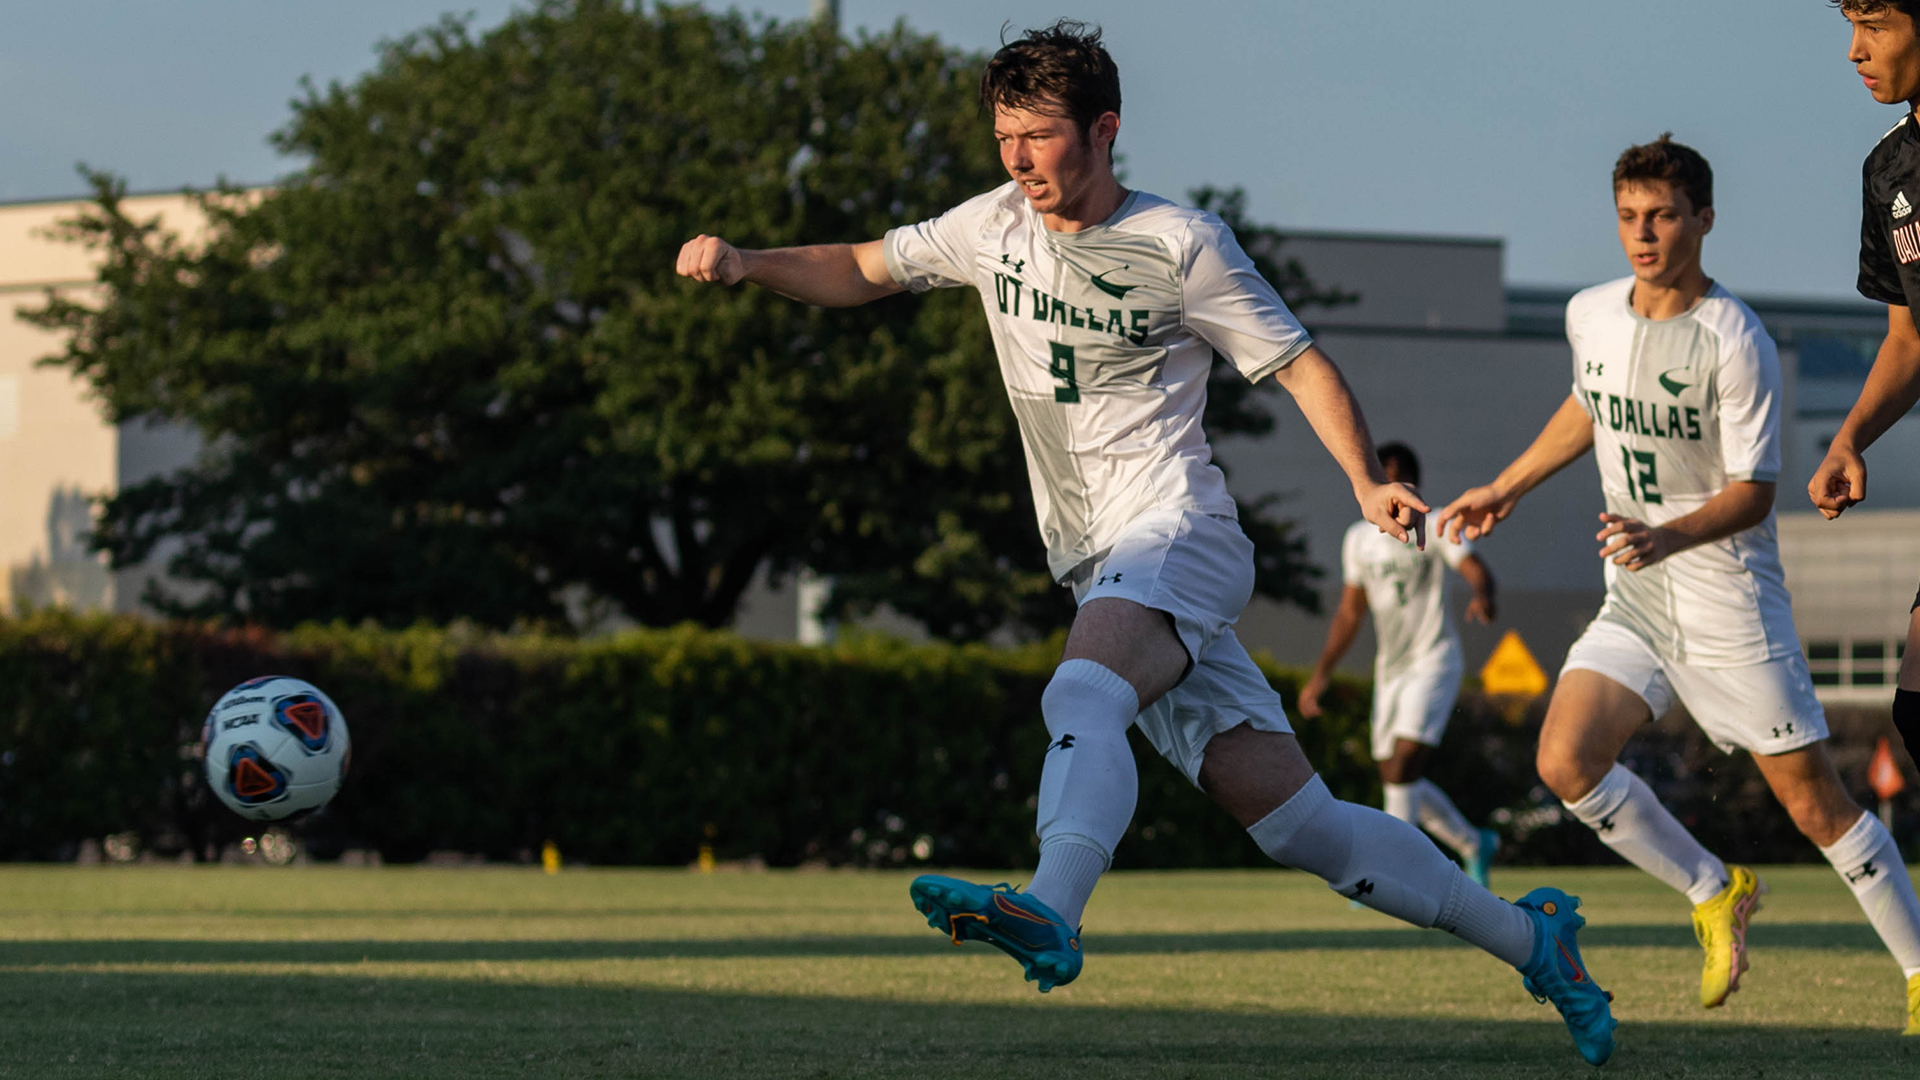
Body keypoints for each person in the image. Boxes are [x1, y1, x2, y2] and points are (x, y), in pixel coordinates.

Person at [678, 20, 1614, 1064]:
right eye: (1004, 138)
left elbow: (1299, 364)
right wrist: (751, 262)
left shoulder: (1183, 244)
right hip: (1099, 563)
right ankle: (1539, 943)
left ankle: (1051, 910)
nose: (1019, 160)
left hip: (1177, 530)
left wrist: (1363, 480)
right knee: (1300, 828)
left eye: (1039, 136)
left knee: (1081, 694)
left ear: (1105, 129)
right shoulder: (989, 226)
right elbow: (862, 266)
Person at [1438, 133, 1920, 1034]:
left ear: (1703, 218)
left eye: (1662, 215)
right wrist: (1504, 487)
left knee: (1817, 803)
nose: (1643, 233)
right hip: (1639, 593)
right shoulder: (1591, 313)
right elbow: (1588, 403)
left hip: (1728, 598)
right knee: (1565, 761)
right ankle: (1714, 888)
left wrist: (1667, 535)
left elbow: (1755, 493)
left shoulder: (1737, 339)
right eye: (1628, 216)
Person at [1299, 442, 1501, 886]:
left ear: (1416, 486)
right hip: (1391, 669)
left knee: (1402, 764)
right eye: (1384, 478)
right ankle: (1472, 843)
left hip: (1434, 659)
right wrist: (1321, 675)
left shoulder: (1436, 521)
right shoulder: (1358, 538)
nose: (1393, 490)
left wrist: (1484, 594)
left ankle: (1395, 874)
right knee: (1397, 773)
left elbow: (1473, 567)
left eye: (1401, 480)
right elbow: (1350, 613)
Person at [1811, 0, 1920, 766]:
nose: (1855, 49)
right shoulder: (1889, 169)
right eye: (1850, 25)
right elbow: (1908, 339)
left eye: (1874, 24)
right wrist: (1850, 438)